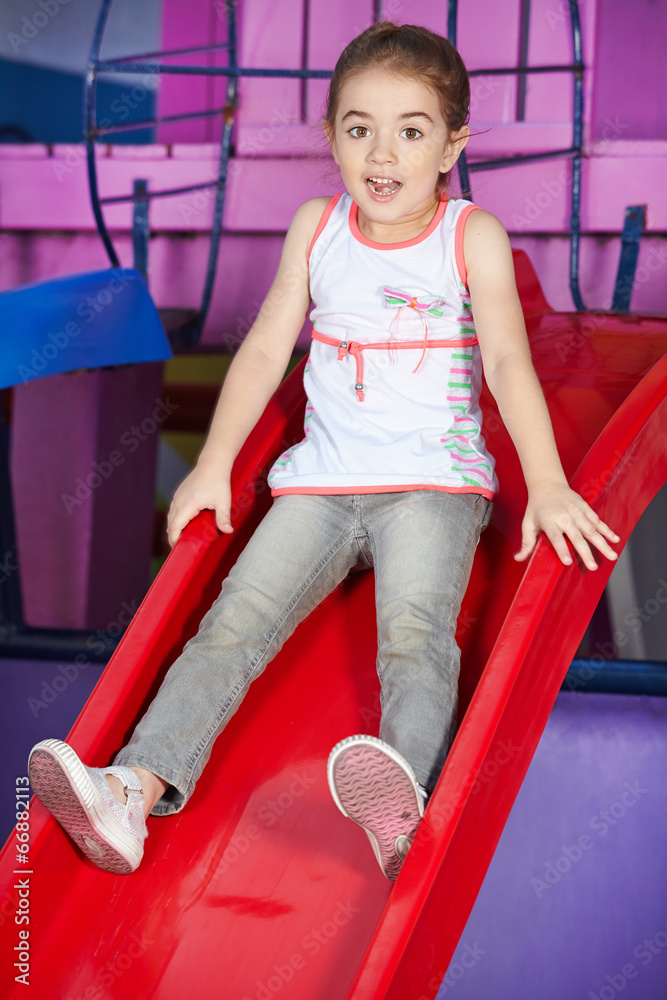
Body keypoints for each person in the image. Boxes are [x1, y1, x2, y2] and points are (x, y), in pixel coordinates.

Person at [28, 22, 619, 882]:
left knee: (415, 637)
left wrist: (549, 484)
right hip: (319, 483)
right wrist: (212, 462)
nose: (382, 153)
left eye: (411, 130)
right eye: (357, 127)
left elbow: (505, 361)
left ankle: (402, 797)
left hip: (432, 484)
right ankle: (133, 792)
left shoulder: (469, 236)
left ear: (451, 143)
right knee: (229, 624)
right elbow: (268, 346)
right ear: (331, 136)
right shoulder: (319, 227)